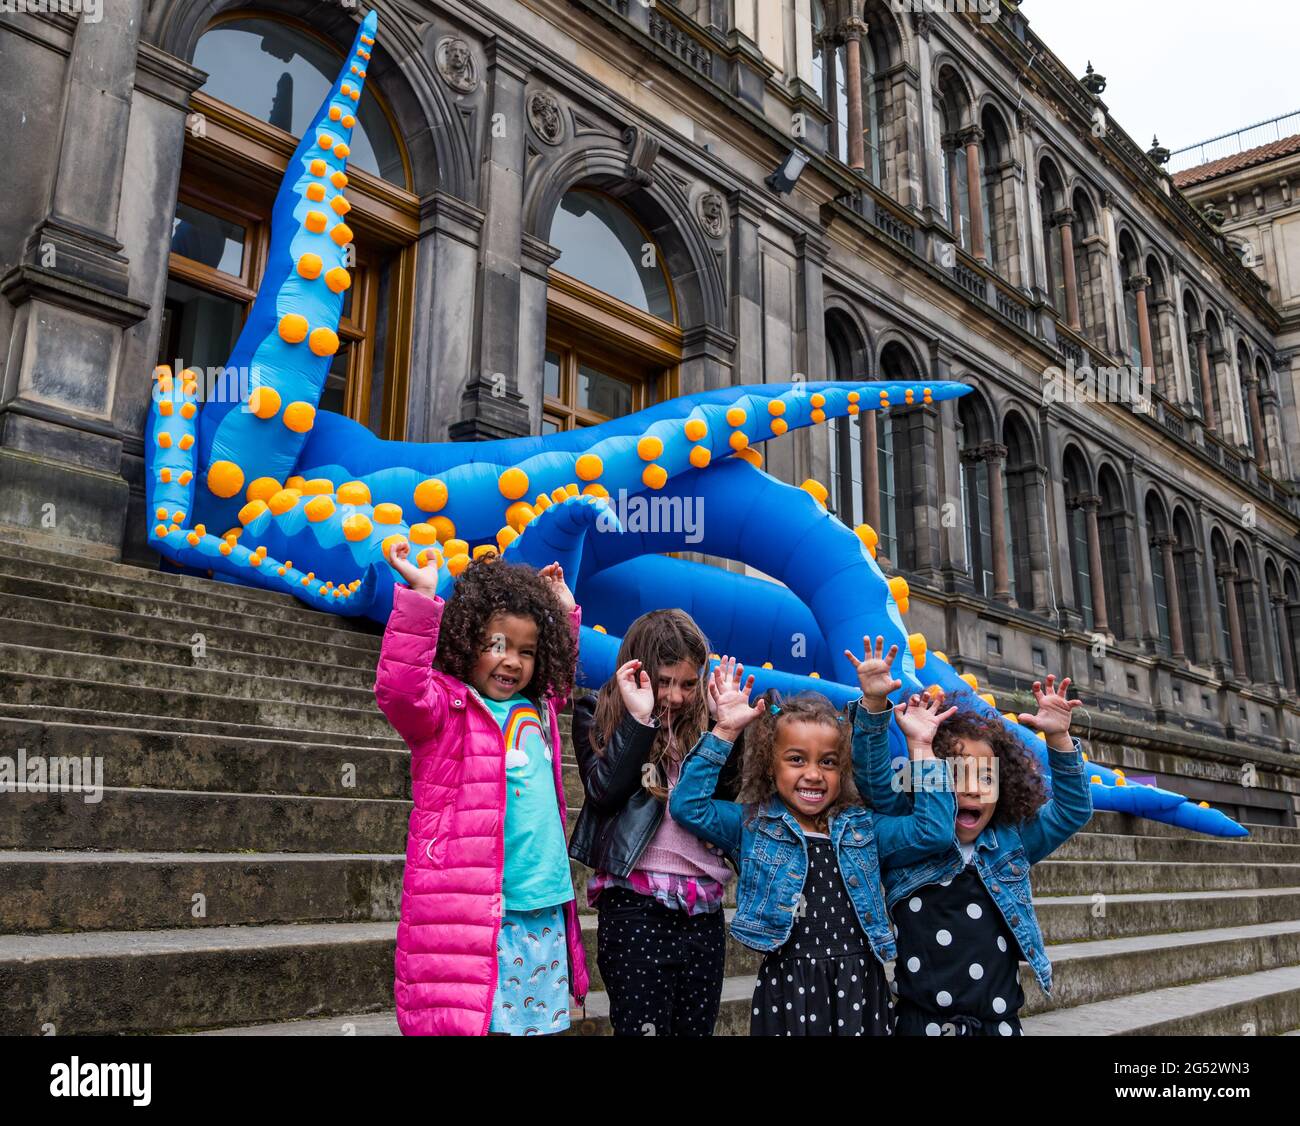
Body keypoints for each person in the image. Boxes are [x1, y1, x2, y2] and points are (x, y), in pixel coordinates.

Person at [669, 654, 955, 1036]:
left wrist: (920, 746)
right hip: (790, 984)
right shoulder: (753, 823)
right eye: (796, 759)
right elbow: (688, 805)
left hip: (860, 985)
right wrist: (724, 731)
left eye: (829, 762)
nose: (814, 774)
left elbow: (933, 831)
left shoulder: (863, 829)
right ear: (771, 766)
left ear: (843, 770)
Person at [374, 543, 587, 1035]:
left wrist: (563, 611)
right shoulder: (443, 711)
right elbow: (400, 690)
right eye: (497, 645)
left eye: (527, 651)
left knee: (538, 1026)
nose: (511, 661)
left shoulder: (539, 709)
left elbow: (560, 675)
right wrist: (422, 599)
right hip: (479, 911)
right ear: (467, 641)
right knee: (478, 1023)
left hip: (544, 904)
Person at [882, 676, 1093, 1036]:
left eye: (984, 777)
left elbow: (1072, 810)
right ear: (928, 780)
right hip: (920, 1025)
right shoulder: (911, 842)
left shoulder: (1012, 842)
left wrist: (1058, 739)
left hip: (996, 1026)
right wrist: (915, 741)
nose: (971, 788)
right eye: (954, 775)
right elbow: (875, 784)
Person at [568, 610, 742, 1036]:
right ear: (638, 668)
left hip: (702, 908)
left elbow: (726, 800)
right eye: (665, 682)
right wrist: (639, 720)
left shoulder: (703, 720)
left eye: (687, 683)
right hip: (635, 905)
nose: (678, 696)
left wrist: (727, 732)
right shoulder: (596, 711)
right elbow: (604, 791)